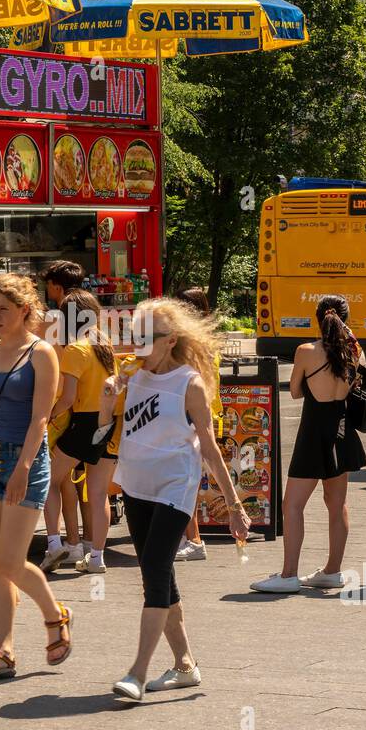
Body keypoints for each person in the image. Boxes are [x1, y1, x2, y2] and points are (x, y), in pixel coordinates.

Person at [98, 298, 249, 701]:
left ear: (171, 341)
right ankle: (185, 665)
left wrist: (234, 507)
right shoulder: (131, 374)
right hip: (135, 485)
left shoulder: (188, 383)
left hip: (174, 487)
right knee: (158, 576)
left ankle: (137, 672)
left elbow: (210, 449)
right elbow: (102, 430)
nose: (137, 344)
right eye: (135, 335)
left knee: (154, 567)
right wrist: (109, 400)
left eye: (147, 337)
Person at [0, 273, 72, 682]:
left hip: (25, 460)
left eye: (3, 310)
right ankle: (4, 652)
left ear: (24, 311)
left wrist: (23, 469)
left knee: (11, 560)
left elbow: (40, 418)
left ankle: (55, 614)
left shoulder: (41, 353)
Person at [251, 295, 366, 593]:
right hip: (342, 431)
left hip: (313, 430)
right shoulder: (356, 351)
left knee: (293, 504)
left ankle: (289, 574)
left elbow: (294, 391)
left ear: (318, 319)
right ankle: (333, 570)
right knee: (337, 503)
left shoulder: (305, 351)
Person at [41, 290, 116, 574]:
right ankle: (96, 557)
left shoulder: (75, 350)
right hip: (108, 423)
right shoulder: (104, 345)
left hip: (83, 423)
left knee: (48, 480)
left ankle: (54, 543)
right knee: (98, 495)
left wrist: (48, 416)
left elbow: (68, 398)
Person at [37, 259, 87, 565]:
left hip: (53, 405)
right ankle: (74, 543)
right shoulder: (85, 319)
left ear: (56, 286)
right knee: (66, 479)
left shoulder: (49, 319)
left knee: (47, 479)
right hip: (74, 405)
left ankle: (55, 542)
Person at [171, 287, 221, 561]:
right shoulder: (205, 340)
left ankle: (194, 539)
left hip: (193, 414)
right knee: (185, 479)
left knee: (185, 480)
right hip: (200, 413)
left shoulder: (194, 344)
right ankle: (188, 536)